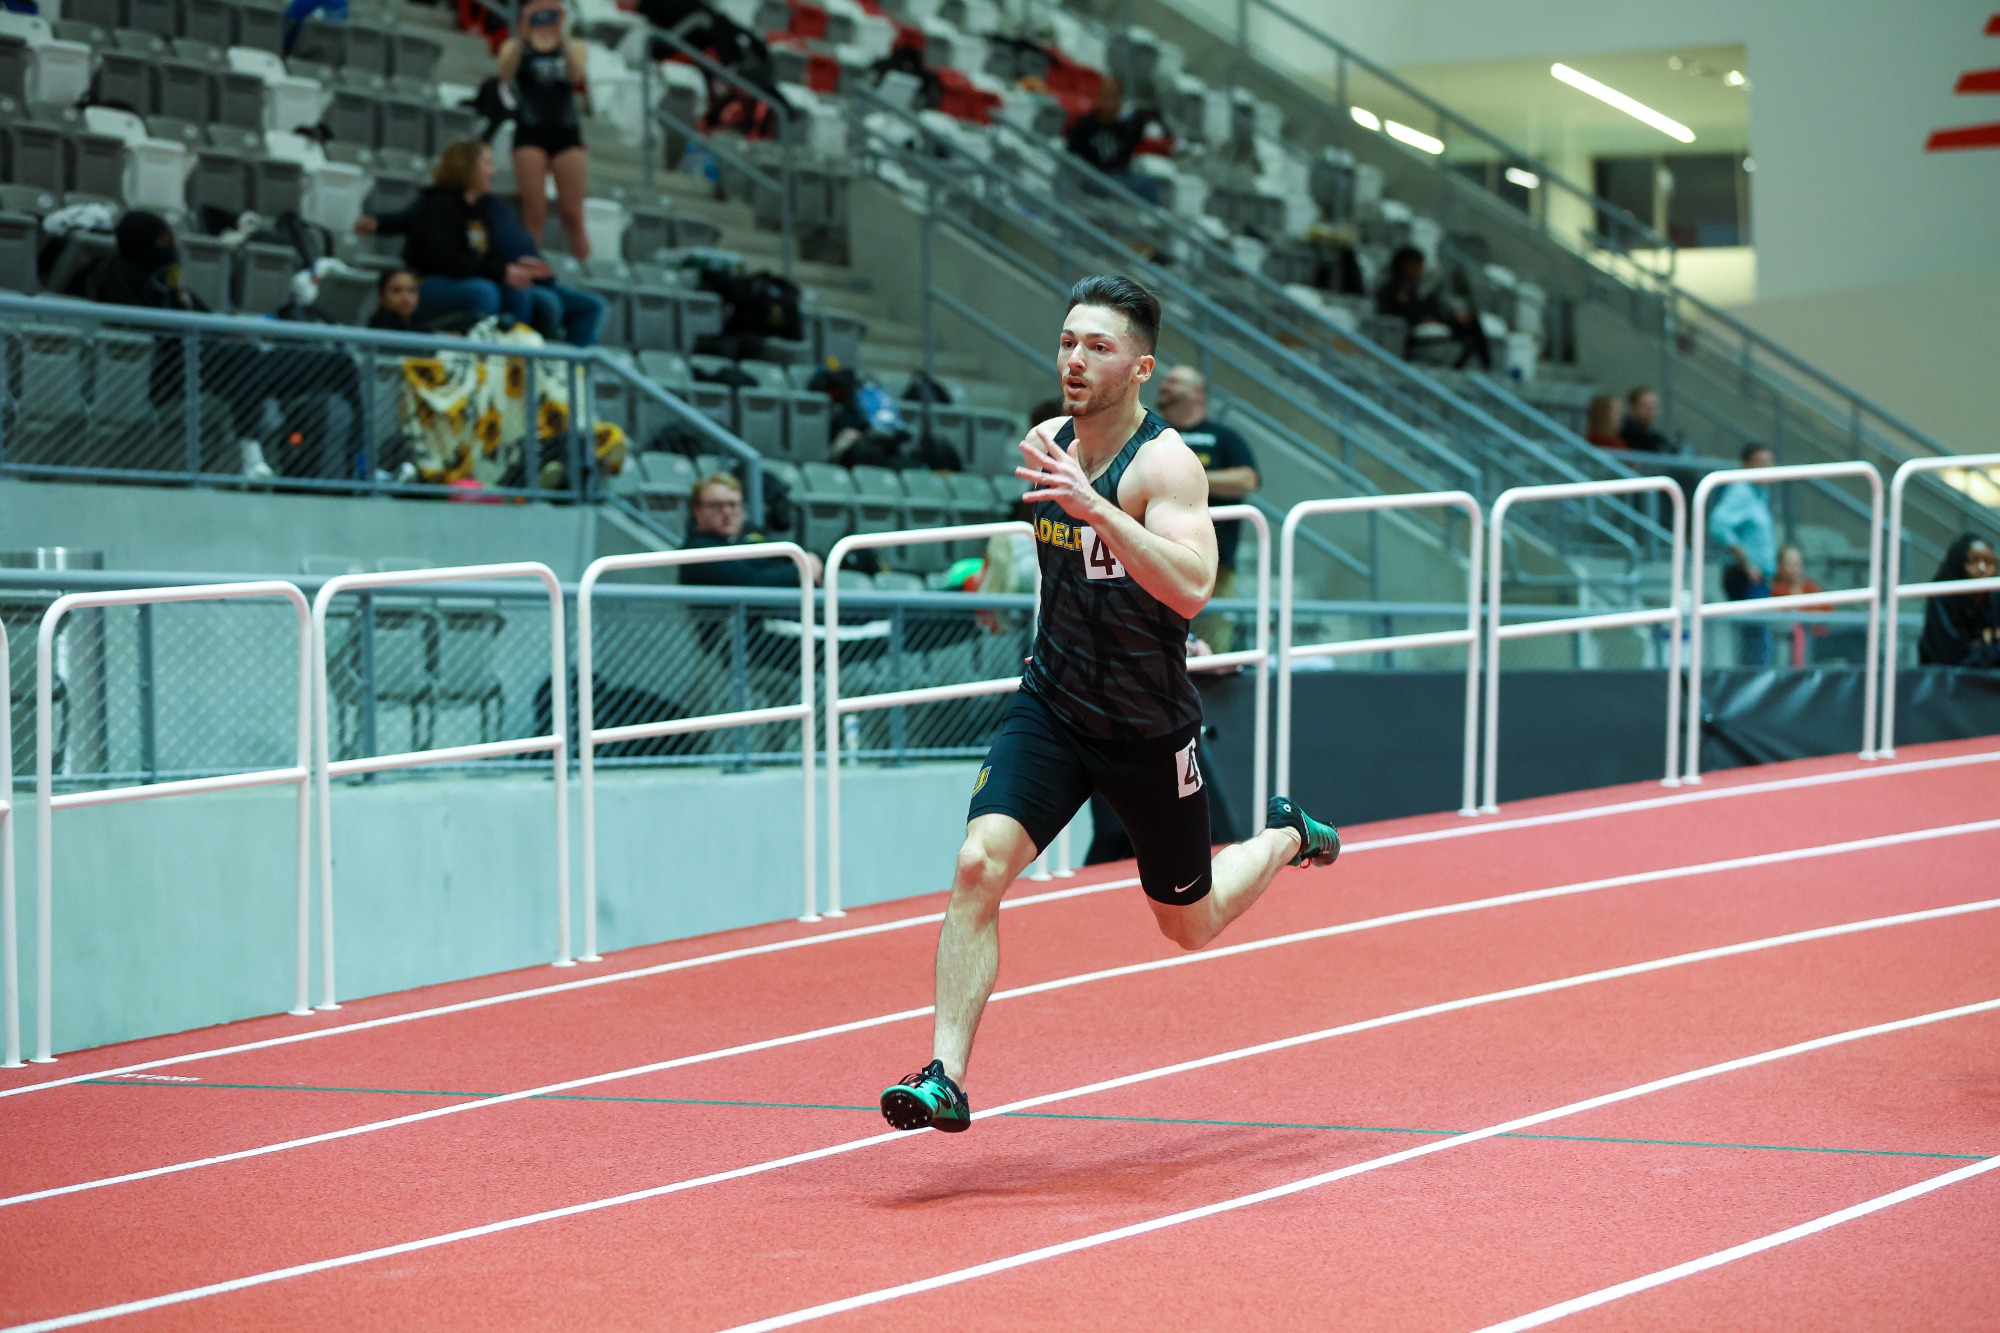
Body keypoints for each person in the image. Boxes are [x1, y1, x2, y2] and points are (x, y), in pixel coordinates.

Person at [877, 274, 1342, 1135]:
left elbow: (1194, 586)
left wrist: (1097, 508)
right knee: (980, 863)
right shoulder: (1046, 441)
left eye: (1098, 346)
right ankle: (945, 1075)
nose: (1075, 359)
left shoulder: (1168, 465)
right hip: (1052, 705)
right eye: (1066, 342)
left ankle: (1285, 835)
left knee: (1188, 924)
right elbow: (1062, 573)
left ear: (1141, 368)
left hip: (1147, 728)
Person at [356, 140, 547, 330]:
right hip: (430, 280)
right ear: (468, 167)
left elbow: (489, 253)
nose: (493, 172)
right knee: (484, 292)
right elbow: (449, 261)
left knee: (522, 291)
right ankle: (474, 355)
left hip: (469, 277)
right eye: (487, 164)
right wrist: (499, 272)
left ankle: (516, 352)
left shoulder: (481, 209)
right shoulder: (438, 205)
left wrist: (510, 269)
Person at [1155, 364, 1259, 653]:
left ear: (1197, 393)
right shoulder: (1149, 431)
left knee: (1213, 652)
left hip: (1213, 565)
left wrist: (1192, 477)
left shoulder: (1222, 437)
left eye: (1174, 381)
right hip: (1153, 560)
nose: (1165, 385)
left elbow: (1248, 479)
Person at [498, 0, 592, 259]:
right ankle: (531, 270)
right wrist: (523, 32)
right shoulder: (514, 46)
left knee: (573, 214)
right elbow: (505, 77)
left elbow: (576, 77)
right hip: (530, 131)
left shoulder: (574, 47)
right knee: (534, 212)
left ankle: (585, 271)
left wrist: (562, 34)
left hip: (566, 131)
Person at [679, 472, 823, 586]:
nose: (727, 512)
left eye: (733, 504)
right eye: (717, 505)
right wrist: (801, 569)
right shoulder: (696, 552)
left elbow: (780, 557)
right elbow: (753, 582)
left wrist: (813, 558)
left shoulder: (745, 539)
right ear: (696, 510)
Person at [1709, 443, 1778, 667]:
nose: (1767, 469)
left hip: (1760, 579)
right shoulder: (1741, 491)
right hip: (1746, 577)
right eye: (1761, 464)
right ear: (1746, 465)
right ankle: (1751, 686)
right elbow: (1718, 524)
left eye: (1770, 464)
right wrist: (1746, 561)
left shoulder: (1760, 494)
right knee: (1754, 637)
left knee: (1758, 636)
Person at [1375, 246, 1489, 370]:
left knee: (1472, 323)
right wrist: (1421, 319)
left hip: (1433, 326)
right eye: (1416, 266)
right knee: (1466, 343)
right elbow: (1395, 315)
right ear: (1404, 265)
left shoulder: (1418, 290)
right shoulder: (1390, 290)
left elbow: (1432, 309)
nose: (1419, 271)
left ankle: (1487, 366)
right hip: (1415, 333)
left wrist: (1451, 317)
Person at [1063, 76, 1164, 205]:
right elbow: (1074, 158)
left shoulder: (1119, 128)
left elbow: (1124, 155)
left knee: (1151, 185)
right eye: (1106, 96)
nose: (1110, 102)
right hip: (1092, 177)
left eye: (1115, 98)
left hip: (1117, 176)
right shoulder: (1085, 126)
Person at [1917, 534, 2000, 668]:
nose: (1982, 569)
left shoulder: (1996, 597)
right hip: (1947, 683)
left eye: (1989, 562)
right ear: (1958, 563)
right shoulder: (1942, 597)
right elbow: (1953, 658)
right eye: (1974, 561)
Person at [1769, 543, 1827, 668]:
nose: (1794, 568)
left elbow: (1826, 609)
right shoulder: (1776, 589)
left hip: (1816, 642)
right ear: (1780, 566)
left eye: (1797, 563)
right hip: (1786, 642)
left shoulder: (1809, 587)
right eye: (1790, 564)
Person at [1618, 386, 1673, 454]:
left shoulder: (1655, 436)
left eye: (1654, 406)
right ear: (1632, 406)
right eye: (1645, 406)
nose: (1651, 411)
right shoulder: (1619, 432)